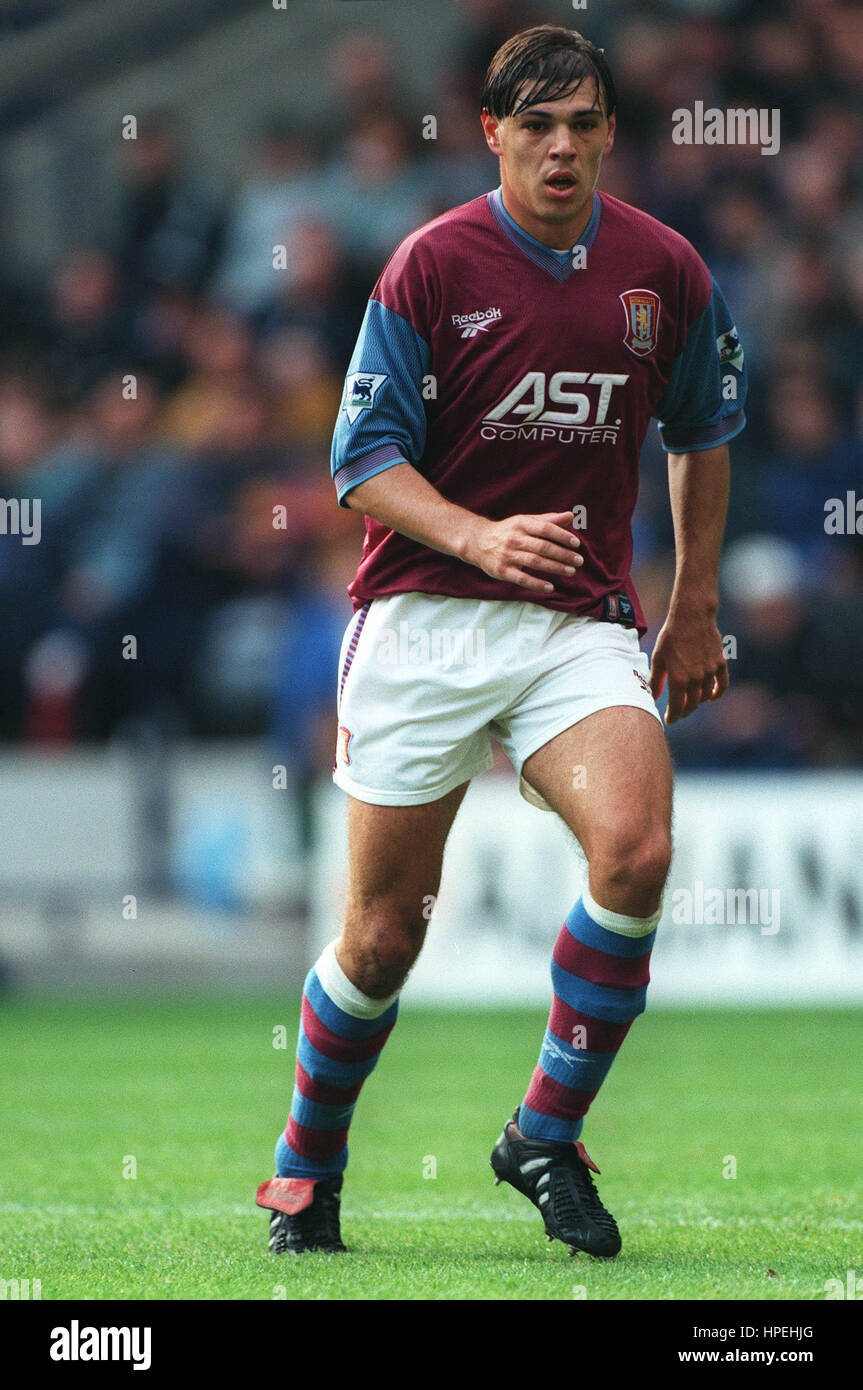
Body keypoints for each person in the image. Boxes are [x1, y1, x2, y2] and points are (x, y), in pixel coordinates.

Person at [256, 24, 746, 1258]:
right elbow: (359, 462)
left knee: (633, 848)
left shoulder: (664, 270)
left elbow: (702, 429)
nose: (562, 147)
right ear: (492, 134)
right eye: (537, 126)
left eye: (583, 123)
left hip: (574, 622)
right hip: (421, 618)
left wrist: (689, 603)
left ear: (609, 133)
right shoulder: (429, 267)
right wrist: (476, 538)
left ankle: (541, 1131)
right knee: (382, 935)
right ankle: (306, 1165)